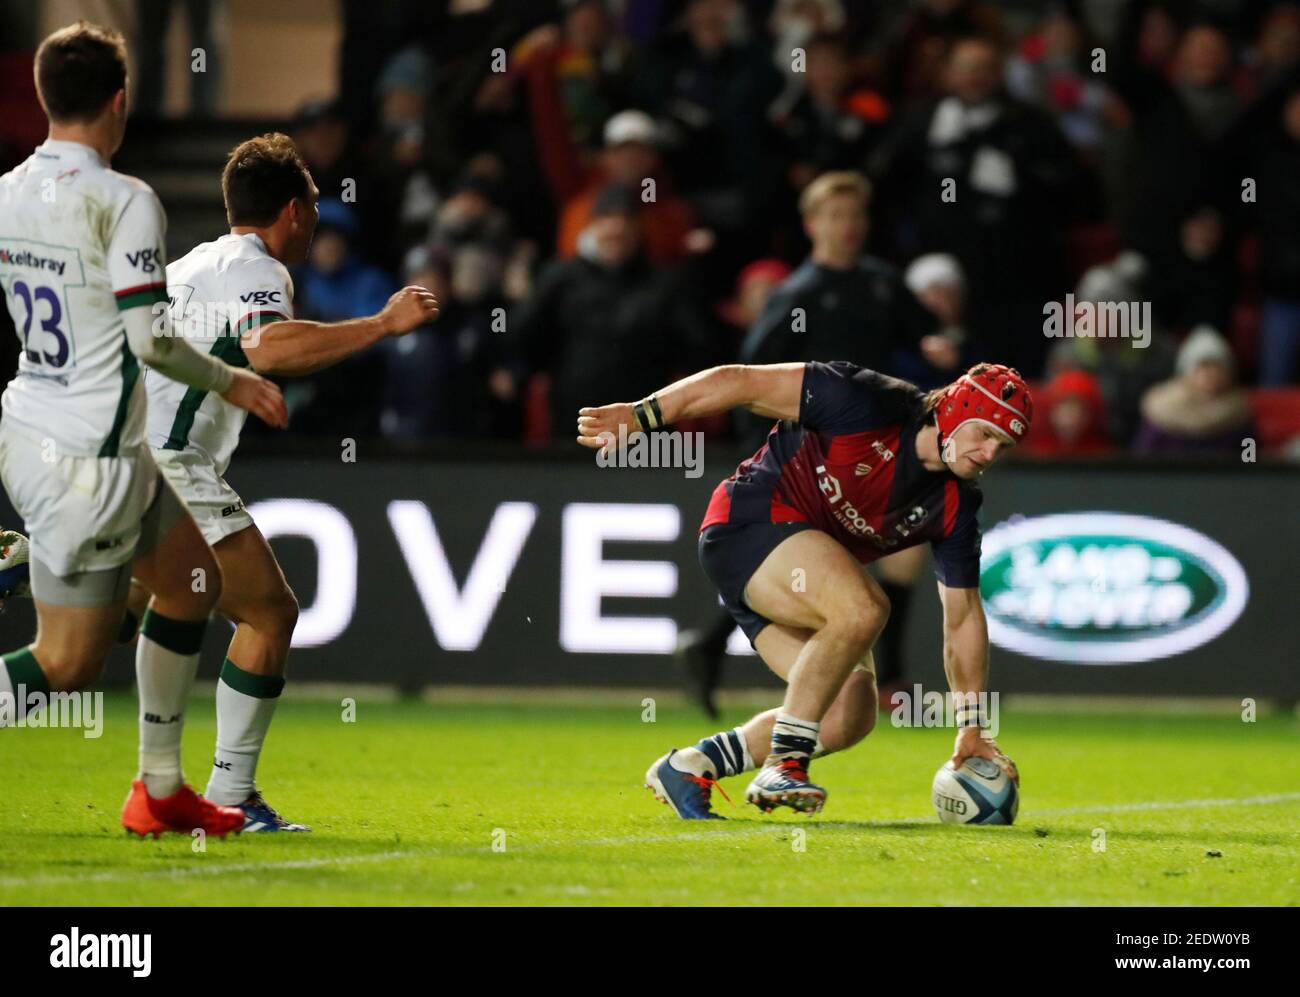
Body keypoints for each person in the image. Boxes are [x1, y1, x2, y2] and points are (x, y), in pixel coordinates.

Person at [0, 23, 287, 839]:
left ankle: (159, 788)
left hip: (33, 426)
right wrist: (234, 378)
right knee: (66, 661)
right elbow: (149, 339)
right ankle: (158, 784)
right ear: (120, 103)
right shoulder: (126, 200)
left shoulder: (7, 194)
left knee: (191, 579)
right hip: (93, 450)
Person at [121, 133, 440, 831]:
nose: (317, 224)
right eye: (315, 211)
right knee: (269, 612)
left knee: (129, 611)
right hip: (175, 466)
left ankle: (34, 565)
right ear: (293, 212)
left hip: (126, 454)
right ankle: (231, 792)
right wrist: (384, 323)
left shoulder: (194, 262)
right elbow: (272, 345)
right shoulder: (255, 265)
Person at [577, 360, 1030, 817]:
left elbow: (964, 616)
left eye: (1004, 445)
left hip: (795, 577)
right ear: (953, 411)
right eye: (985, 434)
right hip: (747, 523)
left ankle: (691, 766)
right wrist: (642, 415)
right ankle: (784, 762)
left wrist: (972, 727)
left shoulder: (958, 505)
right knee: (864, 608)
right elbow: (741, 382)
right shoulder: (867, 400)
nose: (991, 454)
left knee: (847, 714)